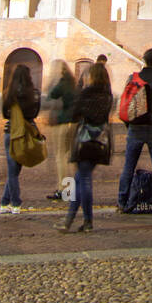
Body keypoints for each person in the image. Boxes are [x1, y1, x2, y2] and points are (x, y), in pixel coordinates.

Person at [55, 62, 112, 234]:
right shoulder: (108, 96)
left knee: (84, 180)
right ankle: (71, 220)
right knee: (80, 180)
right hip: (100, 141)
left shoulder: (86, 93)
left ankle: (86, 221)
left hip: (85, 140)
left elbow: (74, 113)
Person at [117, 48, 152, 213]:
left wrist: (130, 124)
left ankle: (122, 202)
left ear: (143, 60)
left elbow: (125, 104)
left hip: (135, 128)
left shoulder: (133, 78)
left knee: (129, 166)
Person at [0, 64, 41, 214]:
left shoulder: (8, 94)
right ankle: (11, 203)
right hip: (27, 133)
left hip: (11, 132)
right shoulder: (35, 94)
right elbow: (35, 113)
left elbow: (5, 114)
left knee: (12, 170)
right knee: (15, 170)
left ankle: (9, 203)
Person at [46, 61, 77, 201]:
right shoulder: (72, 83)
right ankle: (70, 189)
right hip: (74, 122)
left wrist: (52, 80)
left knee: (61, 157)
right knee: (69, 157)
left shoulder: (62, 84)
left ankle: (63, 189)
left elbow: (50, 95)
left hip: (62, 122)